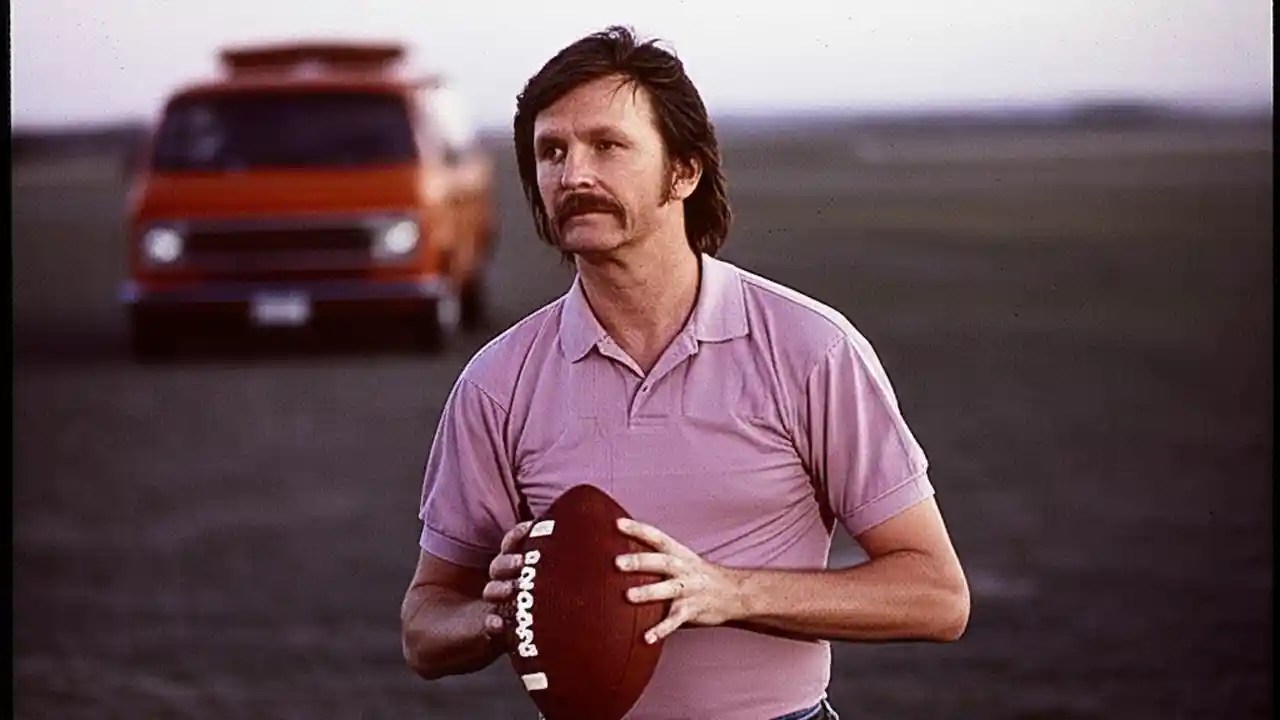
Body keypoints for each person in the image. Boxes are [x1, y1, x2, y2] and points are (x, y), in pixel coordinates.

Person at [400, 25, 969, 720]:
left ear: (684, 171)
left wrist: (725, 592)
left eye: (607, 146)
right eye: (551, 152)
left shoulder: (809, 349)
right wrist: (500, 616)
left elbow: (936, 595)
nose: (572, 174)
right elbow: (425, 626)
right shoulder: (499, 382)